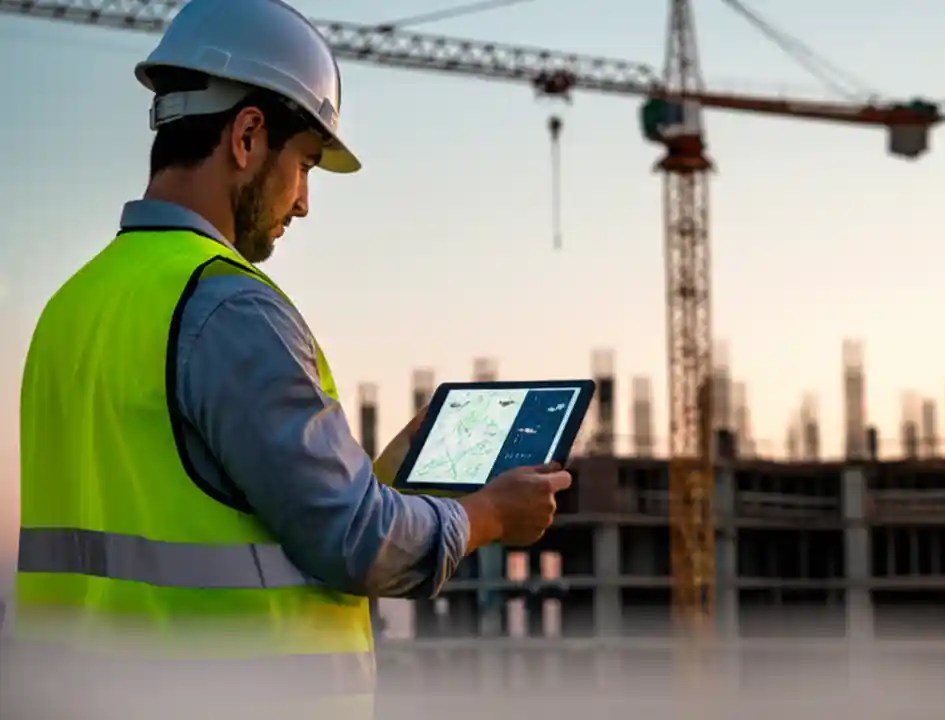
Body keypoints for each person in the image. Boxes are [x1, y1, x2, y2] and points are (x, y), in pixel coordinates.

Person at [2, 0, 571, 717]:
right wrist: (487, 516)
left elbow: (198, 503)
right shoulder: (229, 307)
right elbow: (357, 544)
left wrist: (380, 476)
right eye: (304, 164)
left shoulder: (72, 305)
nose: (302, 202)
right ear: (246, 136)